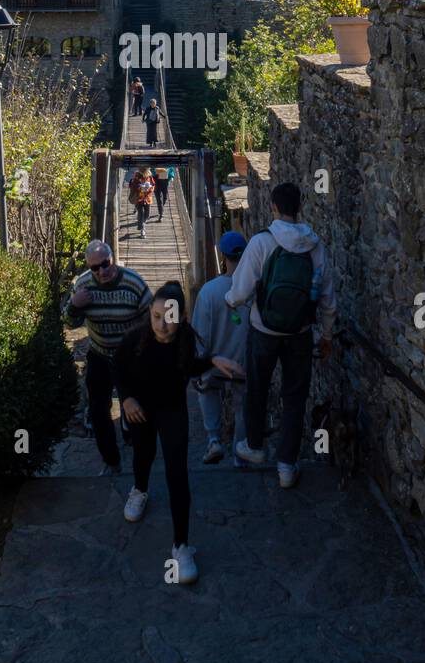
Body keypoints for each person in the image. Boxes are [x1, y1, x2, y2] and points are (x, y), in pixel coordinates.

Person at [114, 281, 243, 585]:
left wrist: (211, 361)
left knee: (177, 474)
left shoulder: (185, 340)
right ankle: (140, 489)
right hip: (140, 410)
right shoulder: (136, 339)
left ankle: (181, 546)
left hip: (172, 411)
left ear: (182, 317)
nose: (162, 324)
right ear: (150, 312)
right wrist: (127, 398)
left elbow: (190, 366)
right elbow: (117, 368)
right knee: (143, 456)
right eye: (156, 316)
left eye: (169, 316)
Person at [225, 182, 336, 489]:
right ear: (300, 207)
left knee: (257, 387)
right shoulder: (315, 246)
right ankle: (287, 465)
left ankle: (255, 446)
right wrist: (326, 334)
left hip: (264, 331)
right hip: (300, 332)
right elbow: (327, 296)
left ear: (273, 207)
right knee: (295, 395)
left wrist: (231, 301)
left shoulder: (262, 242)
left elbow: (241, 288)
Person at [62, 241, 153, 476]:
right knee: (98, 410)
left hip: (129, 359)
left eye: (105, 264)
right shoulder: (83, 286)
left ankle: (135, 445)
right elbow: (70, 323)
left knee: (135, 407)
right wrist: (74, 305)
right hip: (100, 355)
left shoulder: (133, 283)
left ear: (112, 258)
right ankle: (111, 459)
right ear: (88, 267)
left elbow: (152, 319)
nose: (102, 271)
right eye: (95, 267)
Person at [191, 231, 251, 465]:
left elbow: (200, 332)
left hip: (214, 362)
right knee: (242, 406)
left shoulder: (209, 291)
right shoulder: (253, 289)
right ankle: (240, 453)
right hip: (241, 364)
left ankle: (214, 439)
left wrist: (198, 364)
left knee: (205, 390)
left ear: (223, 256)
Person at [129, 165, 155, 238]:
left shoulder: (149, 176)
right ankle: (142, 230)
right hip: (139, 198)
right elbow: (132, 185)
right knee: (141, 213)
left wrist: (150, 188)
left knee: (147, 215)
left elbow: (153, 184)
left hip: (147, 198)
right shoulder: (136, 175)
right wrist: (140, 187)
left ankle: (140, 224)